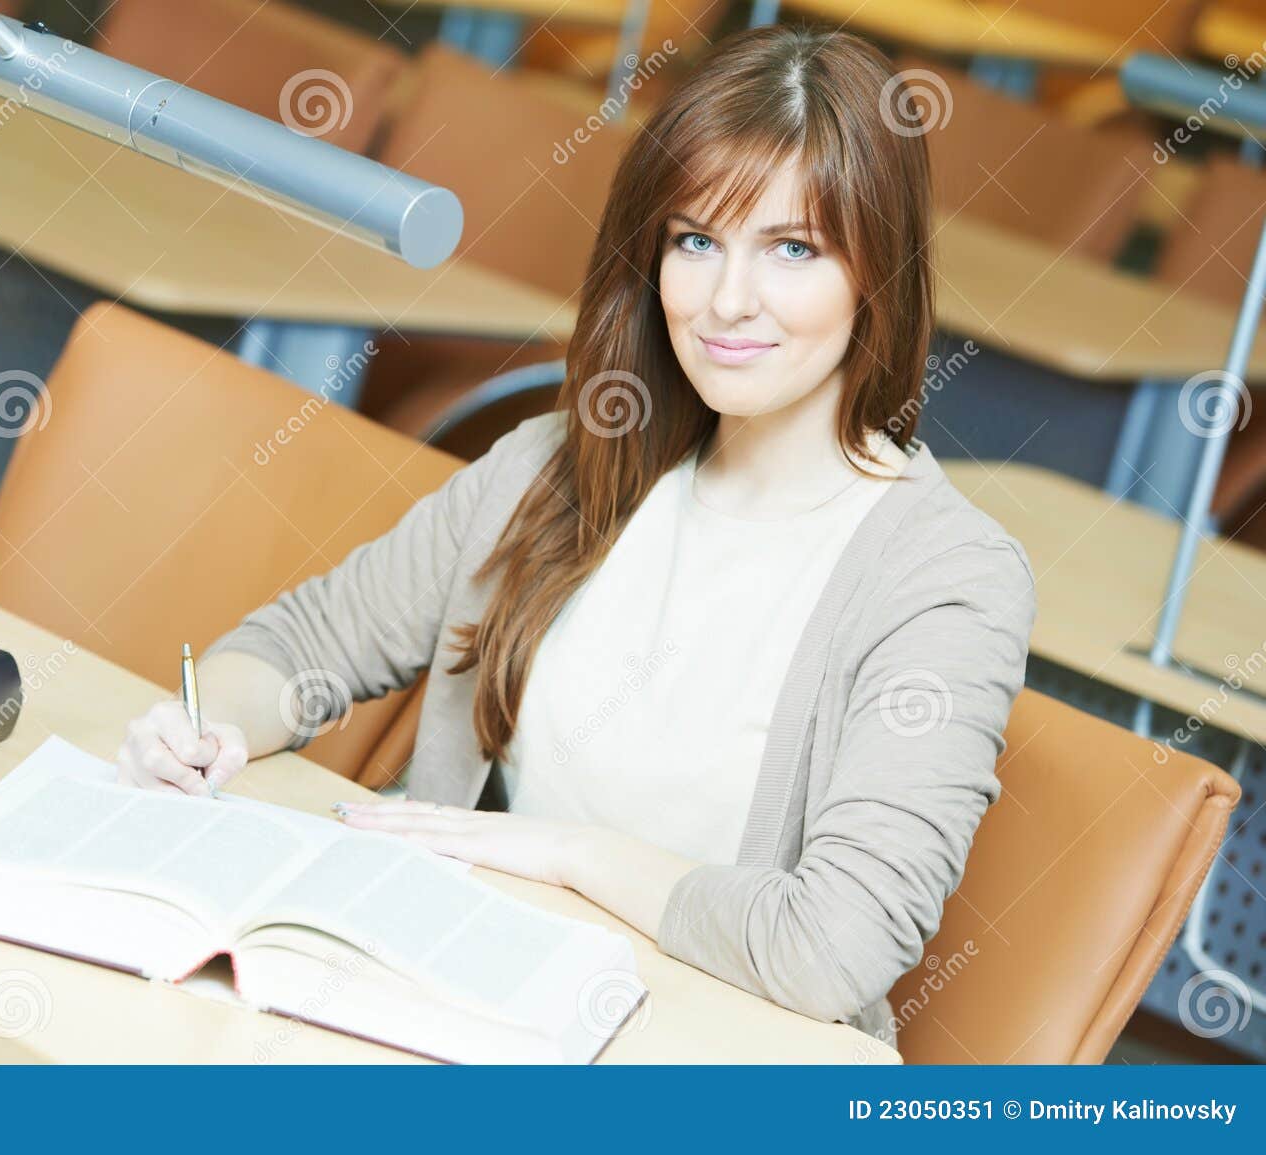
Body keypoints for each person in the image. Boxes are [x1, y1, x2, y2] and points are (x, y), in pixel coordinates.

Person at [115, 24, 1036, 1045]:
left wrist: (562, 854)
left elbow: (831, 947)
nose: (729, 300)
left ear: (878, 270)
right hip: (460, 997)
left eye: (792, 249)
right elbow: (299, 648)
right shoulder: (560, 463)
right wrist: (213, 724)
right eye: (695, 240)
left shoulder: (946, 579)